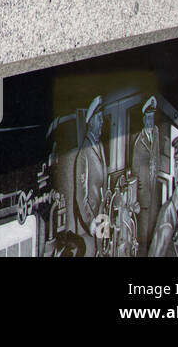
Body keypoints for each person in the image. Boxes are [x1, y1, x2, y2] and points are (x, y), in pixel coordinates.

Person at [74, 96, 108, 253]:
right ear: (91, 121)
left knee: (104, 251)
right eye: (99, 119)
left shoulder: (99, 146)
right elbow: (81, 194)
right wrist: (90, 221)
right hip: (92, 219)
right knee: (94, 252)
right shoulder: (84, 153)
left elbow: (104, 180)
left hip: (103, 213)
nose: (102, 122)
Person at [132, 96, 160, 256]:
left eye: (152, 117)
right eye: (148, 118)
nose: (150, 121)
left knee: (153, 234)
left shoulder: (156, 133)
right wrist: (136, 199)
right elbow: (135, 173)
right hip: (143, 198)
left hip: (154, 194)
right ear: (144, 119)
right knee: (142, 238)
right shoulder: (138, 142)